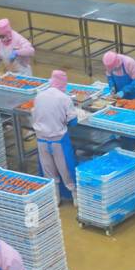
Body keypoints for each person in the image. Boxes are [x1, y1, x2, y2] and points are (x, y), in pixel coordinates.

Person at [32, 70, 80, 202]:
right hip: (59, 141)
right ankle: (75, 197)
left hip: (41, 139)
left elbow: (34, 115)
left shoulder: (39, 96)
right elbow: (73, 122)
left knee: (48, 170)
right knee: (66, 169)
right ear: (63, 84)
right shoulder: (64, 98)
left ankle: (55, 199)